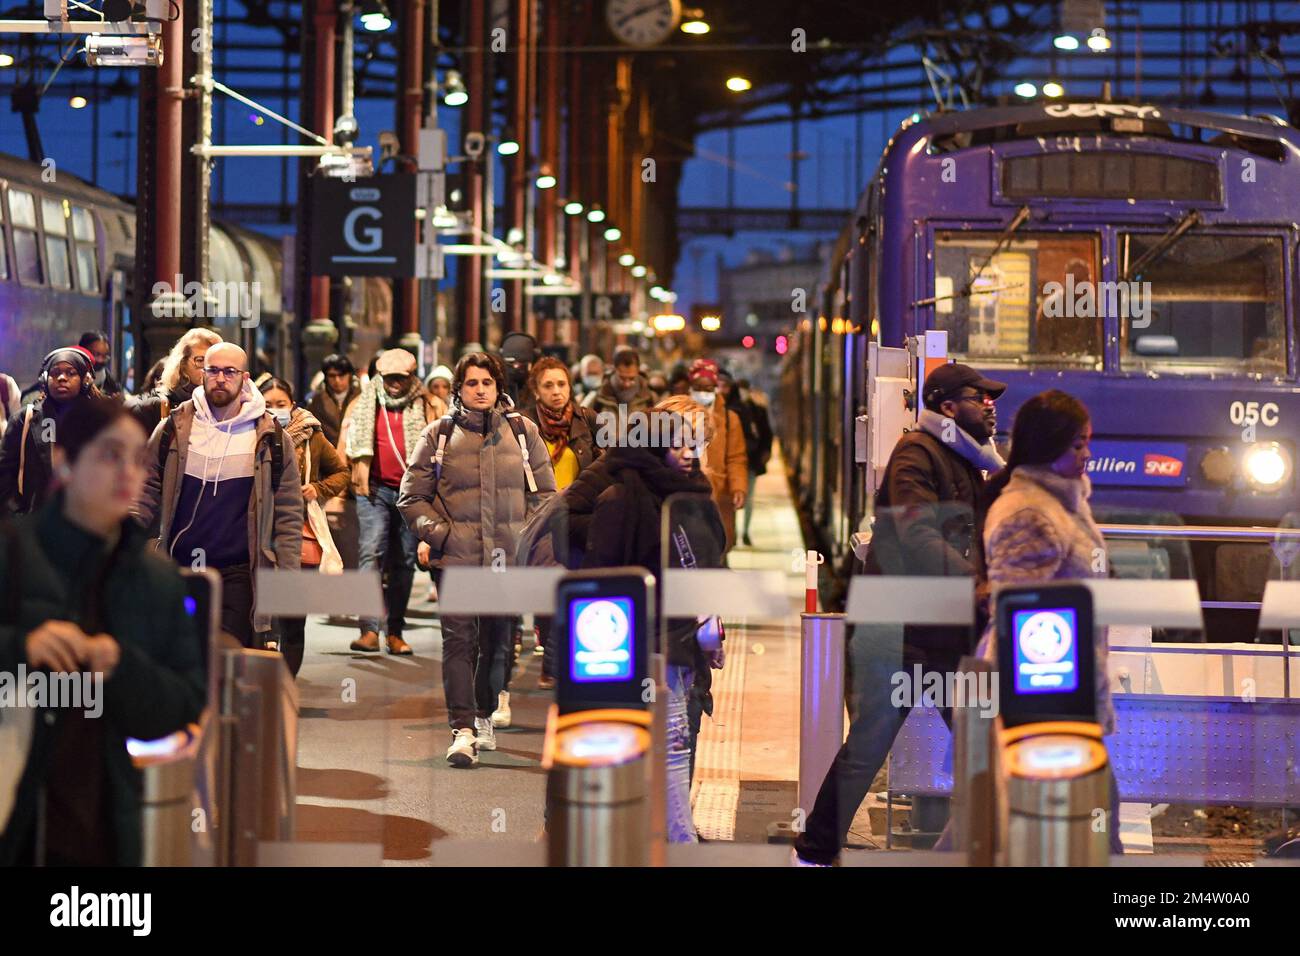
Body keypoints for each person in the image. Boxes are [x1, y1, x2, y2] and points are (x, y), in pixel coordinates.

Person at [793, 362, 1006, 867]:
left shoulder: (969, 459)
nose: (992, 405)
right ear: (948, 407)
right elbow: (917, 533)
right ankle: (814, 852)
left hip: (943, 632)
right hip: (900, 633)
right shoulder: (917, 453)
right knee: (869, 746)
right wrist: (976, 585)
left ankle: (983, 846)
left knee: (986, 743)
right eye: (981, 397)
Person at [0, 398, 206, 866]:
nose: (127, 473)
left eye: (136, 460)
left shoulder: (158, 580)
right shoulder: (11, 554)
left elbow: (183, 704)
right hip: (17, 823)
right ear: (65, 461)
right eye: (110, 455)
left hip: (106, 828)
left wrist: (120, 664)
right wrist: (20, 647)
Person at [518, 396, 725, 840]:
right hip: (631, 635)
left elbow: (706, 561)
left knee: (670, 736)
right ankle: (657, 835)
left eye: (700, 440)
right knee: (630, 737)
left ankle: (663, 829)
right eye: (686, 439)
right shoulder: (620, 489)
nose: (695, 449)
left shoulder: (686, 490)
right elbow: (581, 540)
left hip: (675, 633)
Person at [976, 389, 1122, 853]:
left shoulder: (1063, 503)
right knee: (1088, 822)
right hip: (1047, 694)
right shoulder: (1030, 512)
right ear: (1046, 444)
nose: (1086, 454)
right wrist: (1044, 705)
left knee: (1005, 824)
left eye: (1087, 442)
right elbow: (1020, 612)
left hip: (1063, 686)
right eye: (1076, 444)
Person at [398, 352, 556, 767]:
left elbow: (546, 497)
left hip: (507, 562)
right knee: (458, 643)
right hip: (457, 562)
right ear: (459, 389)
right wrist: (441, 535)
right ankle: (462, 729)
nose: (480, 389)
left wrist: (526, 541)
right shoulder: (439, 434)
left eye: (487, 382)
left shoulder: (523, 433)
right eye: (472, 383)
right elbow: (411, 497)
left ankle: (485, 714)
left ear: (498, 386)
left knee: (498, 645)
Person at [135, 342, 302, 649]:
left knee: (226, 658)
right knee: (182, 655)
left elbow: (289, 512)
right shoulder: (175, 427)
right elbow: (144, 488)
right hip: (179, 567)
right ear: (202, 375)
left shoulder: (271, 437)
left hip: (238, 573)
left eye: (229, 371)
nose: (220, 378)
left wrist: (288, 579)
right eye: (212, 370)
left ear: (245, 377)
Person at [345, 348, 439, 655]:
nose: (394, 384)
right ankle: (369, 630)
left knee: (406, 560)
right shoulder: (363, 404)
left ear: (412, 377)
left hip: (414, 494)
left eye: (401, 378)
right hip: (374, 489)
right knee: (370, 554)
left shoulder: (429, 406)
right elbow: (345, 445)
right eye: (389, 378)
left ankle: (395, 631)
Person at [520, 355, 602, 689]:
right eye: (548, 386)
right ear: (536, 392)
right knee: (549, 589)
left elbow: (606, 464)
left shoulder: (589, 420)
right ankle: (553, 662)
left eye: (562, 384)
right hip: (539, 518)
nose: (557, 392)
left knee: (578, 589)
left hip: (580, 516)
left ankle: (571, 659)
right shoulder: (521, 425)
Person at [260, 377, 349, 676]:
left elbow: (341, 472)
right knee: (263, 616)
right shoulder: (249, 432)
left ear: (293, 405)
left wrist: (318, 488)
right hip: (258, 531)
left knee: (293, 619)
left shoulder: (311, 436)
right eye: (268, 404)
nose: (274, 411)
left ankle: (285, 684)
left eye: (281, 405)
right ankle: (264, 684)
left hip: (299, 534)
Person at [0, 346, 99, 515]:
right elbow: (4, 472)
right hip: (33, 523)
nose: (61, 378)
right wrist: (16, 514)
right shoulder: (25, 419)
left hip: (87, 522)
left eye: (71, 373)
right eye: (55, 373)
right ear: (45, 379)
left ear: (85, 380)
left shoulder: (100, 420)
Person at [686, 358, 748, 553]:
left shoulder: (730, 419)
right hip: (684, 492)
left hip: (718, 493)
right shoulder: (675, 413)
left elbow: (736, 457)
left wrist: (738, 487)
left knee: (718, 545)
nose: (703, 392)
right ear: (690, 387)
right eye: (698, 387)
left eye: (709, 387)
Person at [130, 328, 222, 434]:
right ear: (182, 363)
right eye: (200, 360)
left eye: (213, 362)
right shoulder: (152, 407)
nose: (207, 368)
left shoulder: (224, 405)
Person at [736, 378, 773, 546]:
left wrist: (765, 452)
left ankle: (745, 531)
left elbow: (766, 433)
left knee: (748, 497)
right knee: (738, 497)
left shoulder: (758, 410)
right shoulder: (732, 410)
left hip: (750, 461)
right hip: (736, 463)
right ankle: (735, 531)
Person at [306, 354, 361, 449]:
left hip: (355, 453)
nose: (337, 380)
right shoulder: (318, 401)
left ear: (349, 375)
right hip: (326, 455)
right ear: (326, 377)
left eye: (341, 375)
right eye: (332, 376)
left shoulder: (361, 397)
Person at [581, 346, 654, 414]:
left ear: (638, 371)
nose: (627, 383)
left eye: (632, 378)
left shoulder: (649, 398)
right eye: (622, 378)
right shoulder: (597, 397)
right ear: (614, 370)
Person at [79, 331, 124, 399]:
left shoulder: (110, 382)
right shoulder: (71, 378)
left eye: (104, 356)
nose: (100, 360)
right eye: (95, 354)